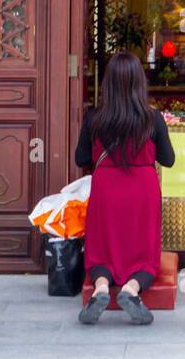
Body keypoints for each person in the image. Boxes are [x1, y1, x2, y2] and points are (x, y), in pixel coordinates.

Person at [74, 50, 176, 326]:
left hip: (107, 188)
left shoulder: (94, 117)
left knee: (101, 250)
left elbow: (81, 158)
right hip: (142, 190)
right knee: (144, 255)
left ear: (107, 84)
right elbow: (168, 159)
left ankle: (102, 287)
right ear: (139, 82)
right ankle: (132, 289)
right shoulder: (151, 118)